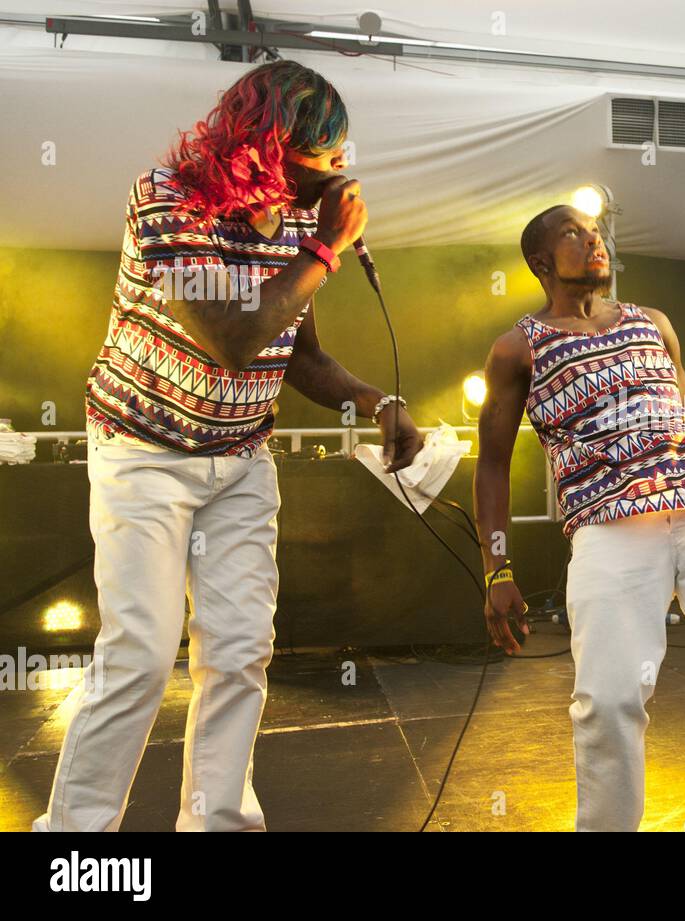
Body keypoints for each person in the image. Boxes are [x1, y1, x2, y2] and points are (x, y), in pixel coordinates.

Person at [36, 61, 420, 832]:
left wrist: (380, 403)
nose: (342, 173)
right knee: (141, 656)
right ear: (274, 145)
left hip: (241, 460)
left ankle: (218, 824)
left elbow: (298, 356)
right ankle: (73, 840)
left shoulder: (290, 224)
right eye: (330, 156)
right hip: (144, 453)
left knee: (241, 652)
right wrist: (328, 250)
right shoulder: (166, 198)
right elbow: (235, 336)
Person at [473, 205, 685, 831]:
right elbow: (491, 464)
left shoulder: (654, 322)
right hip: (609, 521)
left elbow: (682, 413)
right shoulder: (517, 347)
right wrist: (496, 566)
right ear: (540, 262)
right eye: (573, 233)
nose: (593, 240)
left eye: (595, 233)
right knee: (611, 697)